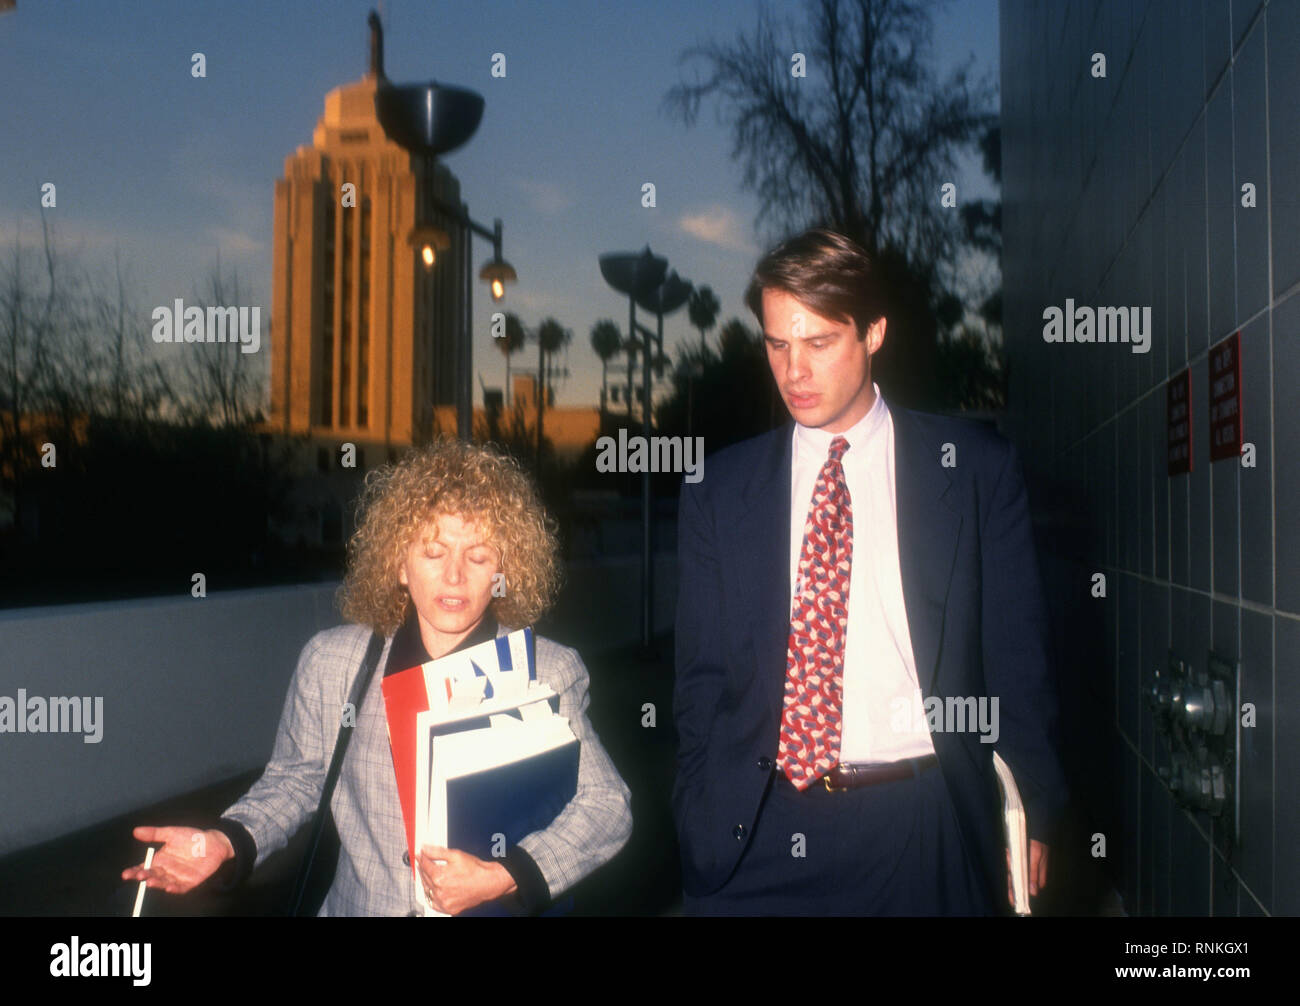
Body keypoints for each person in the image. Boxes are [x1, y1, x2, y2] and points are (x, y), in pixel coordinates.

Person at [672, 228, 1068, 915]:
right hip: (758, 831)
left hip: (917, 827)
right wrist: (700, 801)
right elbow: (700, 679)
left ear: (874, 332)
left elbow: (1015, 651)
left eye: (819, 343)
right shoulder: (718, 489)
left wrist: (1029, 796)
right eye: (777, 344)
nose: (794, 370)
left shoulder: (973, 470)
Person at [123, 438, 632, 916]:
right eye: (433, 553)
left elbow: (606, 807)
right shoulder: (334, 663)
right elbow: (295, 780)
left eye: (478, 556)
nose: (454, 576)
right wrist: (225, 839)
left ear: (506, 571)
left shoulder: (546, 670)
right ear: (399, 565)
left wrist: (504, 875)